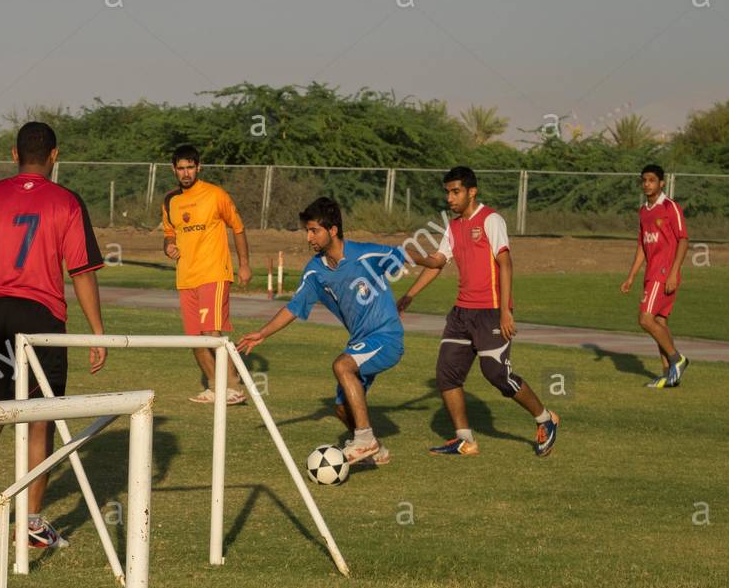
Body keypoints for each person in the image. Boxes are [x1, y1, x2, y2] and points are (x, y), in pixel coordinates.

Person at [0, 121, 107, 548]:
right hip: (40, 316)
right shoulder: (67, 203)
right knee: (40, 418)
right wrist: (97, 331)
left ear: (14, 154)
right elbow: (82, 274)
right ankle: (32, 523)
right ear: (55, 156)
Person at [397, 166, 559, 457]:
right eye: (447, 191)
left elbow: (505, 264)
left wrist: (506, 311)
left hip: (491, 313)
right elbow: (437, 262)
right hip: (461, 313)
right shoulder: (454, 226)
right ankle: (465, 440)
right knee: (446, 376)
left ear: (472, 191)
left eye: (455, 191)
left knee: (497, 375)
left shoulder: (490, 219)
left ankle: (545, 419)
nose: (450, 197)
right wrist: (409, 289)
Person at [237, 198, 405, 466]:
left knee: (342, 365)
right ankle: (377, 451)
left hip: (386, 337)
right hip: (360, 342)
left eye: (314, 230)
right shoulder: (315, 271)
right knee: (341, 407)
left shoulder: (364, 254)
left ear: (333, 230)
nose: (308, 237)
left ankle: (364, 439)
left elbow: (403, 253)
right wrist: (263, 333)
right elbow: (294, 307)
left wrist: (434, 261)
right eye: (307, 231)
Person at [161, 143, 252, 405]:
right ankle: (215, 387)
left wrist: (244, 263)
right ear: (174, 170)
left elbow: (238, 228)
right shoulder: (170, 201)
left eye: (191, 167)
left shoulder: (215, 195)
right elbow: (169, 232)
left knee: (212, 335)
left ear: (199, 168)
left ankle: (233, 387)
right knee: (193, 339)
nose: (186, 173)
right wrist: (169, 246)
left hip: (213, 273)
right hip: (185, 277)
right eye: (181, 168)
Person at [621, 164, 689, 388]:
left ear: (661, 183)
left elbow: (683, 240)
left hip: (664, 273)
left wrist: (674, 271)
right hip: (651, 273)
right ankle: (669, 375)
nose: (647, 184)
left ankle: (677, 359)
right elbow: (642, 245)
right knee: (659, 322)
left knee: (645, 319)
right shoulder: (643, 211)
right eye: (644, 180)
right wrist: (631, 276)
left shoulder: (671, 207)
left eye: (652, 180)